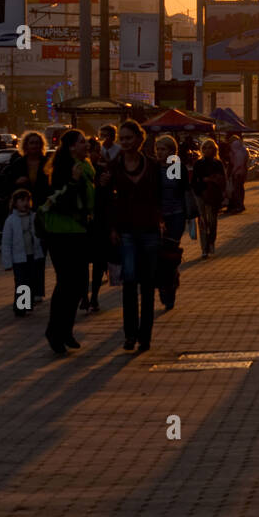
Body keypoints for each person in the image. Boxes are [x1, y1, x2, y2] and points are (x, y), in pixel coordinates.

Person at [106, 119, 163, 353]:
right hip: (126, 230)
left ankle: (145, 336)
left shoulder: (152, 165)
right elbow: (108, 200)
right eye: (123, 139)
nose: (126, 142)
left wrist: (163, 222)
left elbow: (160, 196)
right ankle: (130, 334)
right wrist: (112, 228)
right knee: (129, 283)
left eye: (130, 138)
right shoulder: (114, 166)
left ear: (140, 140)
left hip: (149, 229)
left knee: (148, 285)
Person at [42, 130, 95, 357]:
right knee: (66, 283)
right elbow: (61, 201)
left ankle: (66, 330)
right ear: (72, 147)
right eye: (82, 142)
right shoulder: (64, 170)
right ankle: (55, 332)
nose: (87, 145)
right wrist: (73, 183)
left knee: (79, 283)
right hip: (61, 231)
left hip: (79, 230)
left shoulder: (86, 168)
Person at [154, 133, 187, 308]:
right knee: (159, 255)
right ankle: (165, 286)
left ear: (172, 151)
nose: (160, 152)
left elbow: (182, 191)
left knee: (170, 253)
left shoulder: (176, 167)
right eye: (158, 149)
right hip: (157, 217)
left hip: (175, 215)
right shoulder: (152, 168)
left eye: (163, 149)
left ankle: (170, 284)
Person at [1, 189, 44, 315]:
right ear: (15, 203)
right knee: (21, 282)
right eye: (22, 200)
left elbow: (39, 235)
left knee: (30, 280)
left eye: (27, 200)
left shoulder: (33, 217)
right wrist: (7, 262)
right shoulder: (11, 220)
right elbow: (6, 243)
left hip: (32, 254)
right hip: (18, 258)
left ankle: (26, 304)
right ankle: (20, 308)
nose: (25, 203)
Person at [82, 137, 110, 313]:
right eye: (94, 150)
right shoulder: (79, 171)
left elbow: (108, 199)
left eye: (98, 150)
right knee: (83, 264)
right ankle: (84, 296)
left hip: (100, 223)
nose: (97, 154)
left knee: (99, 263)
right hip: (83, 224)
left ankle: (95, 297)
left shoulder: (102, 171)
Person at [191, 138, 227, 258]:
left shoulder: (217, 163)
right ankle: (204, 248)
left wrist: (216, 182)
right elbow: (194, 181)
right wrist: (203, 180)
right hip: (200, 194)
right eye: (205, 147)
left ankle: (211, 241)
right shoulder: (198, 163)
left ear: (214, 149)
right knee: (202, 221)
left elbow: (223, 180)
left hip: (213, 195)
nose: (207, 150)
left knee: (212, 222)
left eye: (210, 147)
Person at [0, 131, 51, 211]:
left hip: (42, 206)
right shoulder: (18, 163)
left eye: (37, 143)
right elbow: (6, 185)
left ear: (41, 145)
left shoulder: (47, 163)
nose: (34, 146)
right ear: (26, 145)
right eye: (32, 143)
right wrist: (17, 182)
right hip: (23, 207)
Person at [226, 132, 249, 213]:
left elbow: (238, 163)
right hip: (242, 172)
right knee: (240, 189)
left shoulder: (236, 150)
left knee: (236, 190)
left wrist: (233, 172)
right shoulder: (242, 149)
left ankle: (238, 206)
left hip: (237, 173)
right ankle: (240, 205)